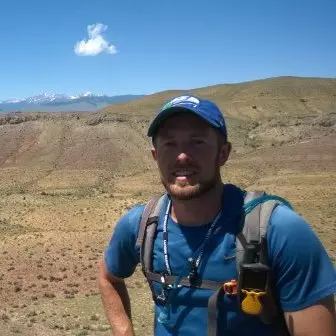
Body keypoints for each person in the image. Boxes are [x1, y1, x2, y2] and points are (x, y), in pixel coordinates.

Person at [99, 95, 336, 336]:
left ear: (223, 153)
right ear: (155, 156)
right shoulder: (140, 224)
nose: (182, 156)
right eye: (170, 144)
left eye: (197, 142)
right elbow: (108, 277)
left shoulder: (279, 231)